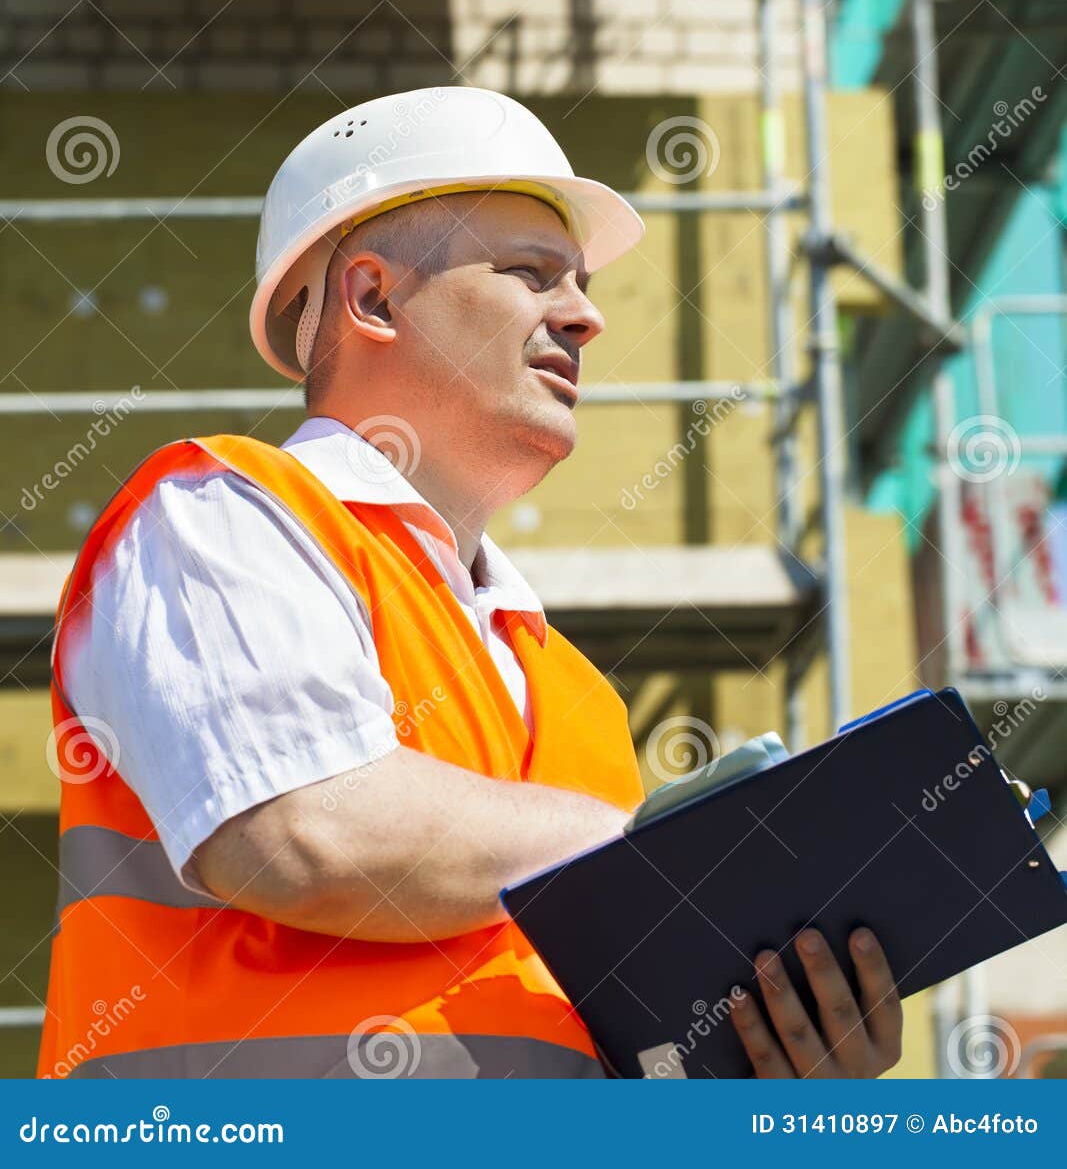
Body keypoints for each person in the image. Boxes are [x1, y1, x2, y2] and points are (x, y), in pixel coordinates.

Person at [38, 86, 903, 1080]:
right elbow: (299, 832)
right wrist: (639, 853)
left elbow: (622, 1057)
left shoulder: (575, 693)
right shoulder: (218, 513)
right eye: (531, 274)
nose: (584, 316)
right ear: (371, 297)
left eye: (576, 283)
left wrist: (781, 1062)